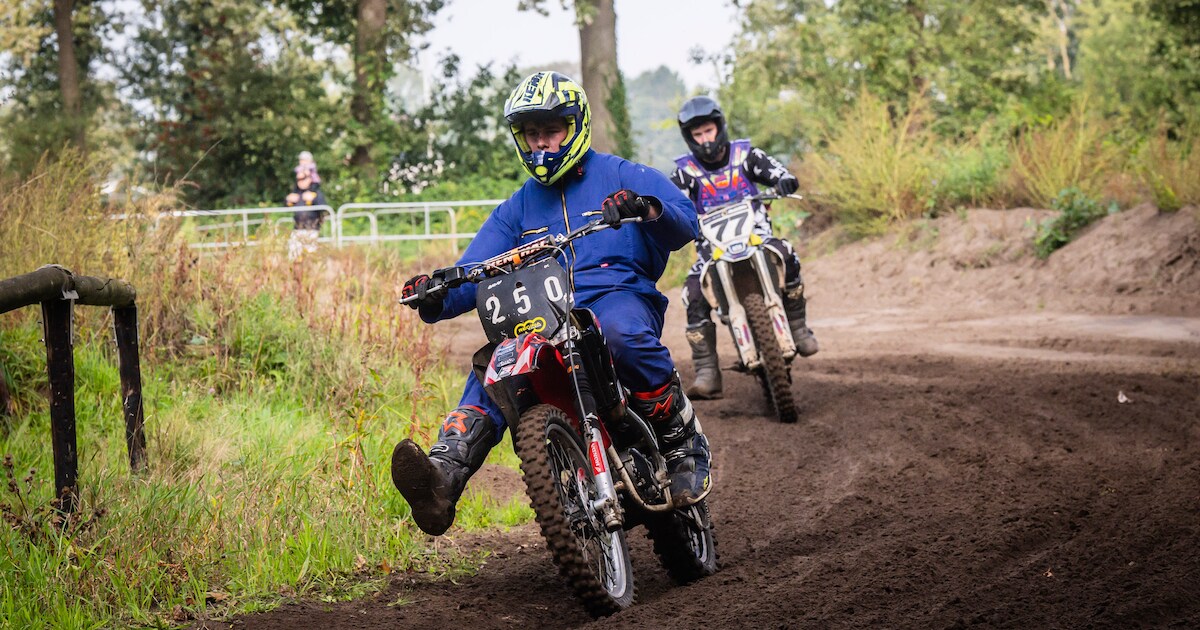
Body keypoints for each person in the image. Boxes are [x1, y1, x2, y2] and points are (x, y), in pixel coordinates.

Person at [390, 71, 713, 536]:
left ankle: (682, 445)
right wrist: (434, 293)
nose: (541, 143)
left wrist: (643, 207)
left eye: (551, 130)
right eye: (532, 133)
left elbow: (685, 223)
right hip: (540, 315)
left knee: (620, 334)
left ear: (576, 124)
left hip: (615, 296)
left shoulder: (623, 174)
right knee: (497, 363)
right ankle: (443, 477)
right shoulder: (517, 208)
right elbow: (475, 270)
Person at [670, 95, 819, 401]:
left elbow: (779, 172)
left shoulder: (746, 155)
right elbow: (671, 201)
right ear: (689, 138)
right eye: (697, 135)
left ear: (719, 127)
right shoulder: (685, 173)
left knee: (788, 253)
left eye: (708, 131)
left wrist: (785, 182)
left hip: (757, 238)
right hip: (711, 250)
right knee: (692, 293)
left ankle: (799, 327)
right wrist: (666, 215)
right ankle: (707, 371)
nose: (705, 139)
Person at [285, 167, 326, 261]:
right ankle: (296, 275)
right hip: (297, 230)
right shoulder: (296, 192)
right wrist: (288, 201)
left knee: (311, 257)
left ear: (310, 179)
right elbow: (285, 206)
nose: (300, 181)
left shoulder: (316, 192)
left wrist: (314, 199)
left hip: (312, 229)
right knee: (293, 256)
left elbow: (324, 207)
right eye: (298, 179)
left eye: (303, 178)